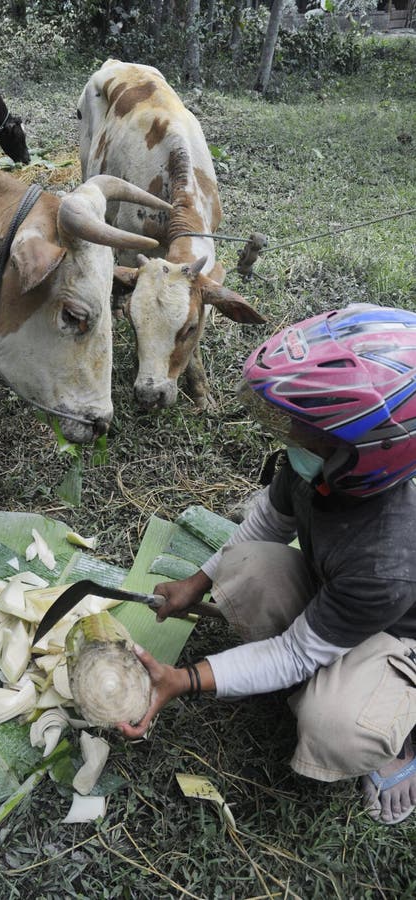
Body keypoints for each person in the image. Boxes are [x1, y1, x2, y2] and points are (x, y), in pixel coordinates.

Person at [119, 303, 416, 826]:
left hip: (400, 633)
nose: (292, 441)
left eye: (308, 435)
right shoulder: (326, 458)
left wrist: (183, 679)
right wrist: (197, 581)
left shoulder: (387, 559)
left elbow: (294, 652)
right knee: (246, 567)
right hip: (343, 596)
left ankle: (400, 743)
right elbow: (264, 528)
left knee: (333, 725)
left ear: (375, 453)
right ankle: (337, 674)